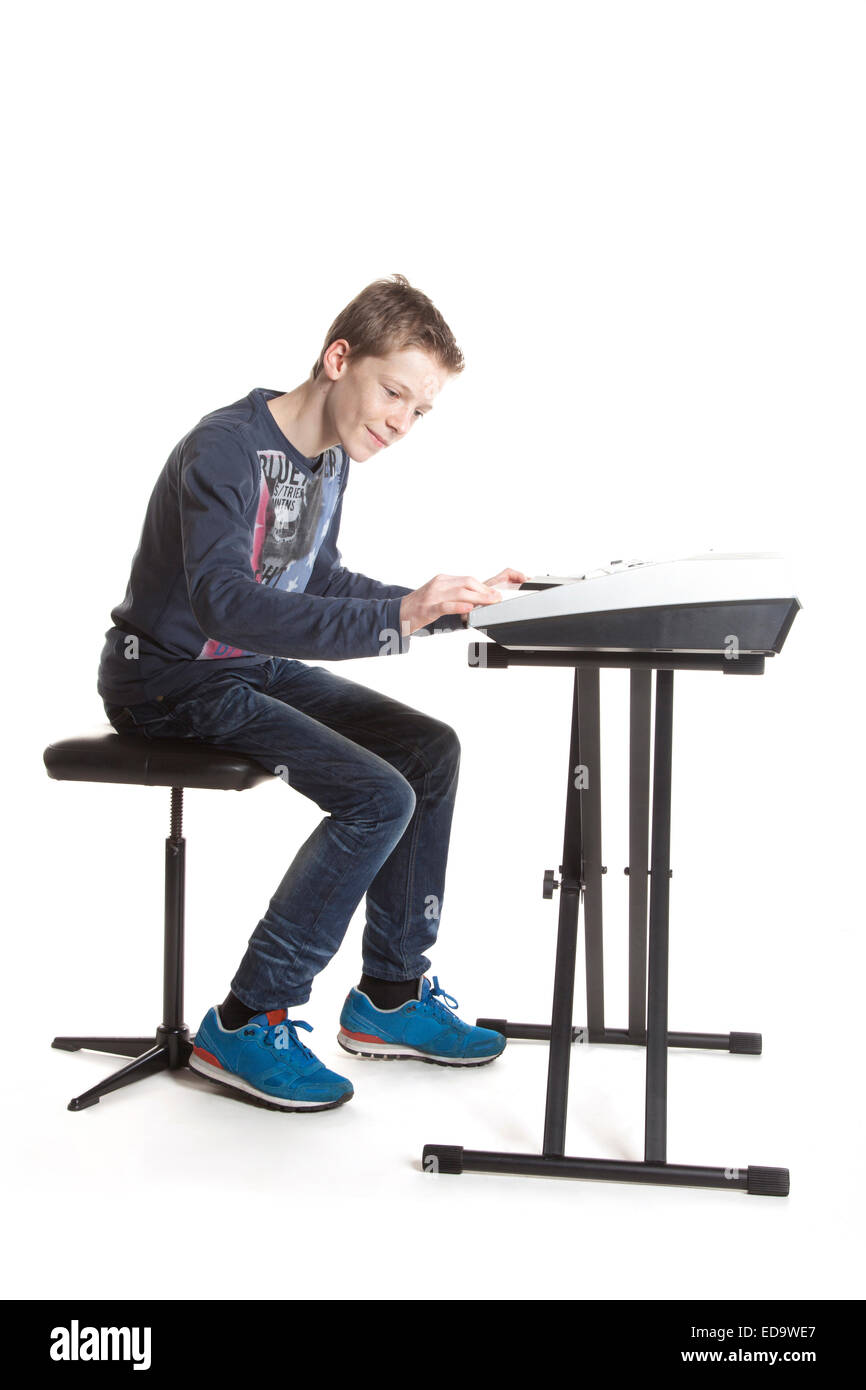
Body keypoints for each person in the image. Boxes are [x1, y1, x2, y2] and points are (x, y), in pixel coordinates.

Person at [97, 273, 526, 1112]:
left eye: (420, 410)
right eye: (394, 392)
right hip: (170, 676)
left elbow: (313, 579)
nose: (402, 422)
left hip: (241, 666)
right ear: (340, 359)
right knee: (377, 794)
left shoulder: (327, 459)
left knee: (428, 749)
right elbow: (228, 602)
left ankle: (391, 998)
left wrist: (439, 609)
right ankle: (248, 1016)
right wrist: (398, 616)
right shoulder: (225, 448)